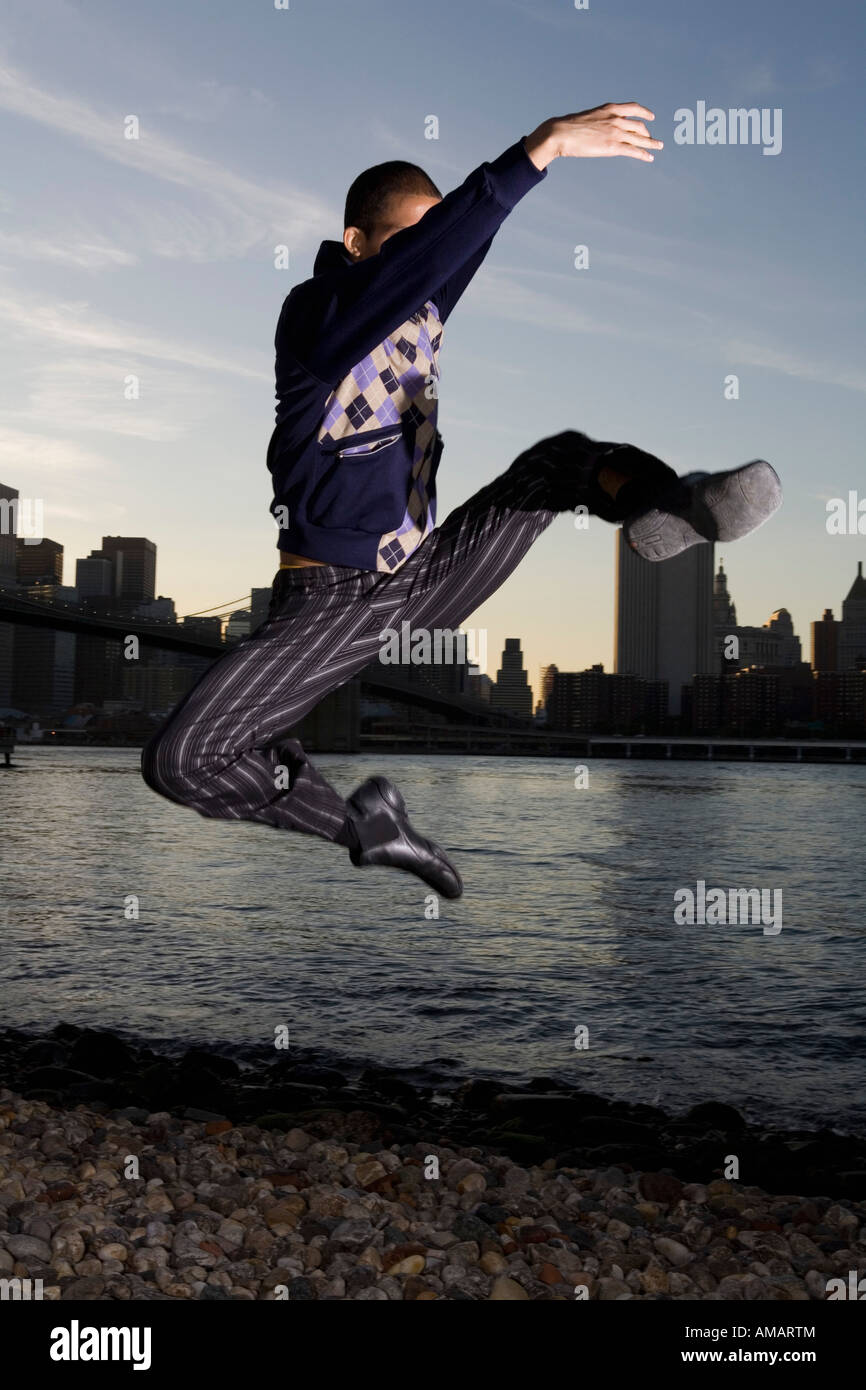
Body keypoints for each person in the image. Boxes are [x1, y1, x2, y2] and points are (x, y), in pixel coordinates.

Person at [141, 104, 781, 900]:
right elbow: (426, 258)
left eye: (429, 243)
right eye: (407, 241)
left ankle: (672, 508)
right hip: (330, 604)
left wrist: (531, 178)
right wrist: (536, 150)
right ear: (357, 245)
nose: (422, 266)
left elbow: (453, 251)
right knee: (180, 761)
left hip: (421, 581)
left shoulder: (424, 312)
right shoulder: (315, 314)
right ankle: (363, 827)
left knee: (553, 464)